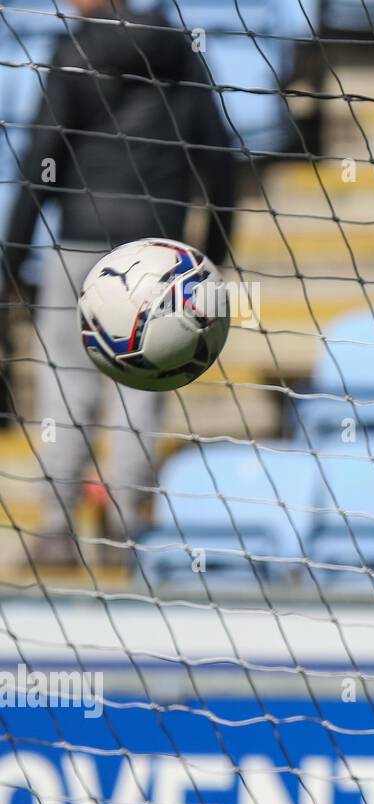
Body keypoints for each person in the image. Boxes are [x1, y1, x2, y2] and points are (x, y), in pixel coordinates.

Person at [0, 0, 235, 568]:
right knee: (142, 394)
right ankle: (124, 531)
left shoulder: (75, 49)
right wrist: (215, 258)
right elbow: (219, 162)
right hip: (160, 257)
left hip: (79, 250)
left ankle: (57, 530)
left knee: (67, 391)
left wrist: (11, 262)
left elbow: (41, 158)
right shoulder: (183, 54)